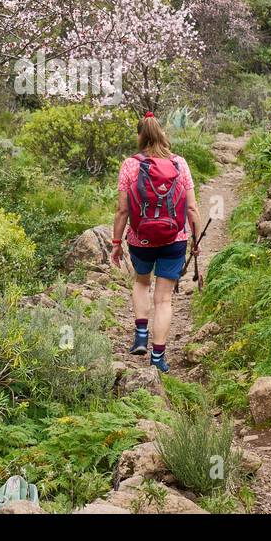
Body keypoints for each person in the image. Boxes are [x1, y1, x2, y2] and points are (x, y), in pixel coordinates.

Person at [110, 112, 201, 373]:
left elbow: (122, 210)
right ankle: (158, 357)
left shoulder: (130, 165)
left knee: (141, 281)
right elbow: (192, 209)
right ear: (162, 133)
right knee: (163, 300)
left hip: (140, 239)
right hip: (175, 239)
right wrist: (195, 241)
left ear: (140, 136)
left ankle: (141, 335)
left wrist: (116, 242)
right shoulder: (180, 164)